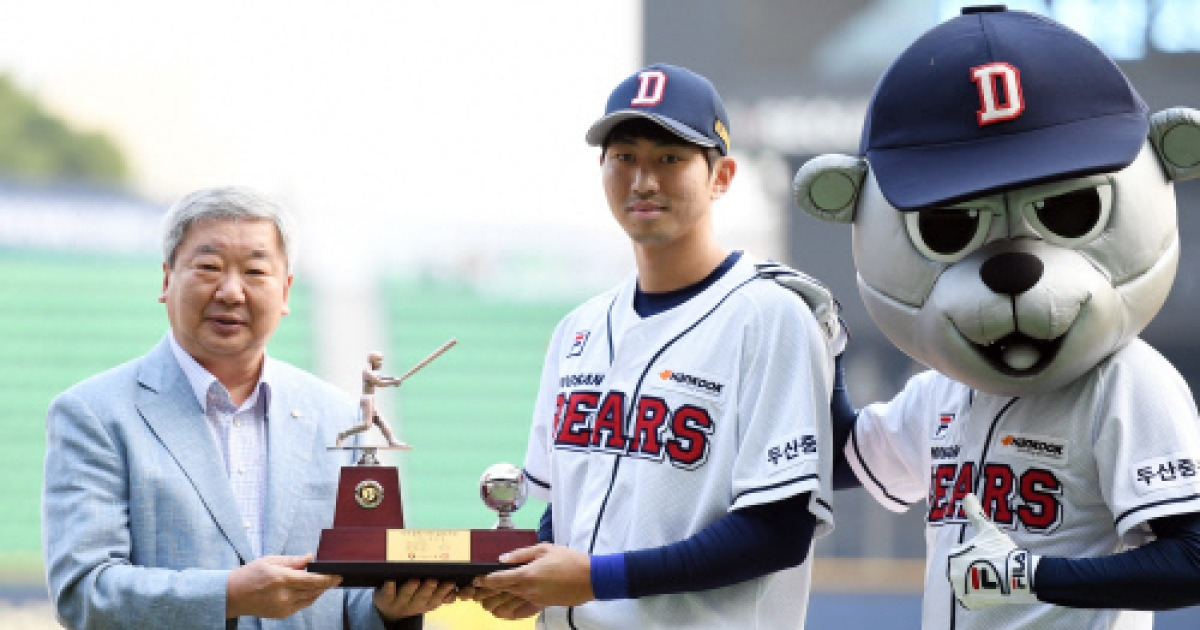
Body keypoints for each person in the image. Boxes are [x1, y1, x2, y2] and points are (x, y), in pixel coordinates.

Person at [789, 6, 1200, 628]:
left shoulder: (1126, 381)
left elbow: (1191, 559)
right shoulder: (945, 389)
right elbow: (844, 457)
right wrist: (827, 349)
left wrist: (1036, 577)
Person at [473, 64, 838, 629]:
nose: (643, 180)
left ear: (721, 176)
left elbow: (778, 531)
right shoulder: (578, 330)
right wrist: (531, 572)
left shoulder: (770, 316)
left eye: (670, 158)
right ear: (603, 168)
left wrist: (596, 577)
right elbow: (565, 511)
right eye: (625, 157)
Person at [42, 186, 456, 629]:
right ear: (166, 280)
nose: (231, 292)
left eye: (255, 271)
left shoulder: (338, 417)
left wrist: (388, 611)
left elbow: (354, 599)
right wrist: (229, 595)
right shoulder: (95, 415)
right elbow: (85, 591)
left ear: (285, 292)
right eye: (208, 267)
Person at [336, 351, 408, 448]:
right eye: (379, 360)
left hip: (371, 398)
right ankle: (343, 434)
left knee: (380, 421)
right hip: (367, 399)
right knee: (367, 425)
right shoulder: (367, 372)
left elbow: (381, 377)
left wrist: (393, 378)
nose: (381, 363)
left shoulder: (372, 372)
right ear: (372, 361)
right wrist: (392, 382)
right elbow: (379, 383)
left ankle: (392, 441)